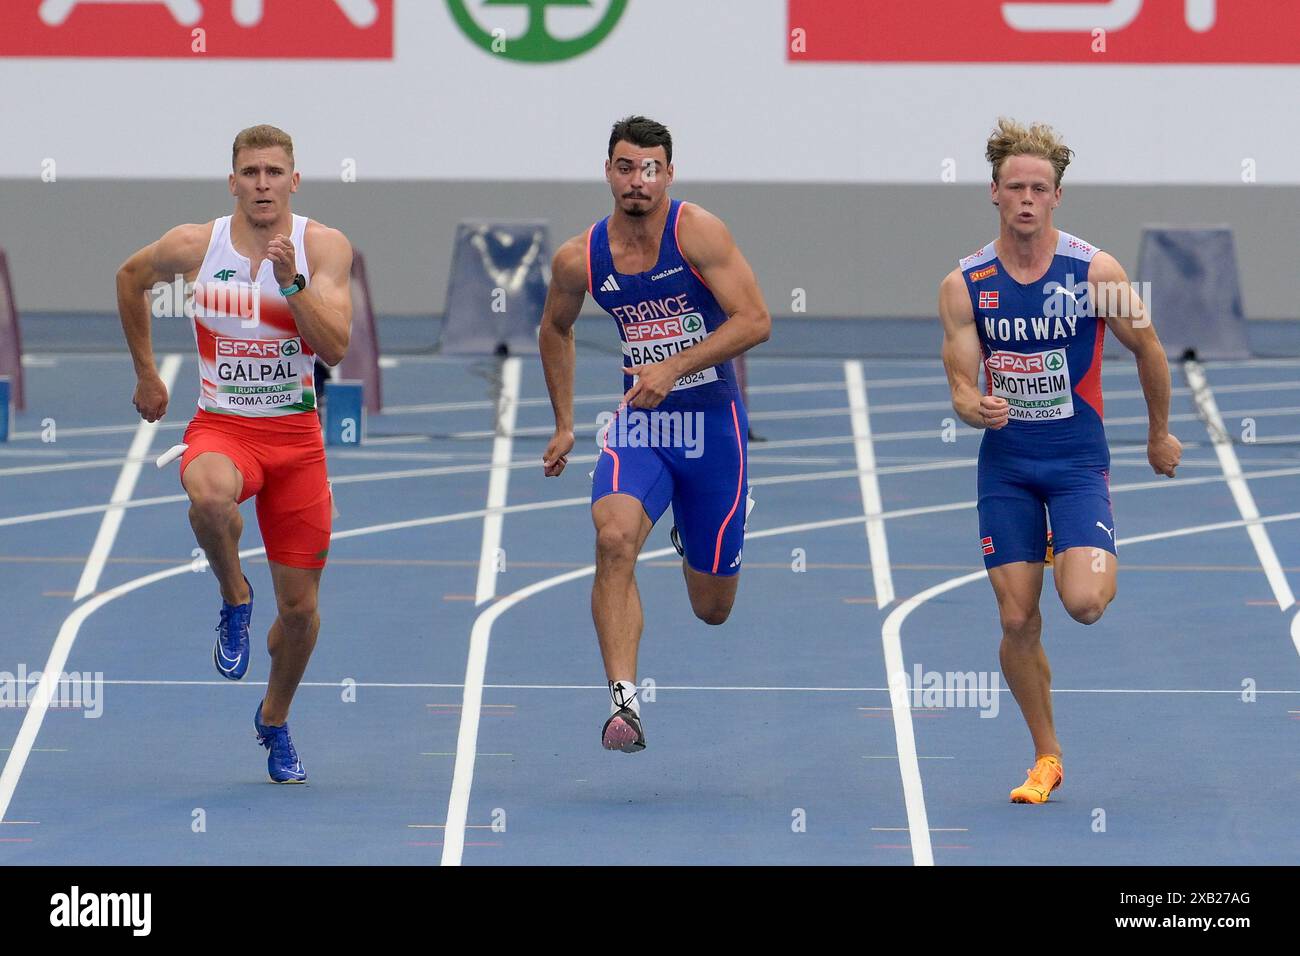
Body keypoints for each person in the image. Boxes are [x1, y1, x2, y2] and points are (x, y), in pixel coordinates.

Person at [938, 118, 1182, 803]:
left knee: (1085, 603)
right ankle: (1046, 756)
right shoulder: (966, 284)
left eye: (1038, 188)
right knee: (1016, 618)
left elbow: (1151, 349)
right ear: (993, 192)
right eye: (1013, 186)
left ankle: (1065, 543)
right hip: (1007, 467)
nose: (1025, 198)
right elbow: (959, 381)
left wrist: (1158, 434)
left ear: (1056, 198)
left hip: (1076, 462)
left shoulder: (1092, 271)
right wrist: (969, 405)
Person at [116, 125, 353, 783]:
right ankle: (234, 594)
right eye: (250, 172)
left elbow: (335, 348)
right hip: (224, 428)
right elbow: (129, 278)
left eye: (274, 172)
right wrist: (146, 375)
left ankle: (273, 722)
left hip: (296, 443)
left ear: (294, 181)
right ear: (233, 182)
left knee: (301, 619)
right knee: (209, 495)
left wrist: (293, 283)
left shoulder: (323, 246)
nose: (262, 184)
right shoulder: (198, 244)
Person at [539, 116, 771, 753]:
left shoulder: (696, 232)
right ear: (607, 172)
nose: (637, 180)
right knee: (612, 537)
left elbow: (755, 320)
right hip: (641, 422)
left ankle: (693, 527)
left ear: (669, 173)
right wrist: (564, 421)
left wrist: (673, 365)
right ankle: (624, 703)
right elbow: (552, 329)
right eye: (624, 167)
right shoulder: (579, 257)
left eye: (650, 169)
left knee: (712, 608)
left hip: (712, 430)